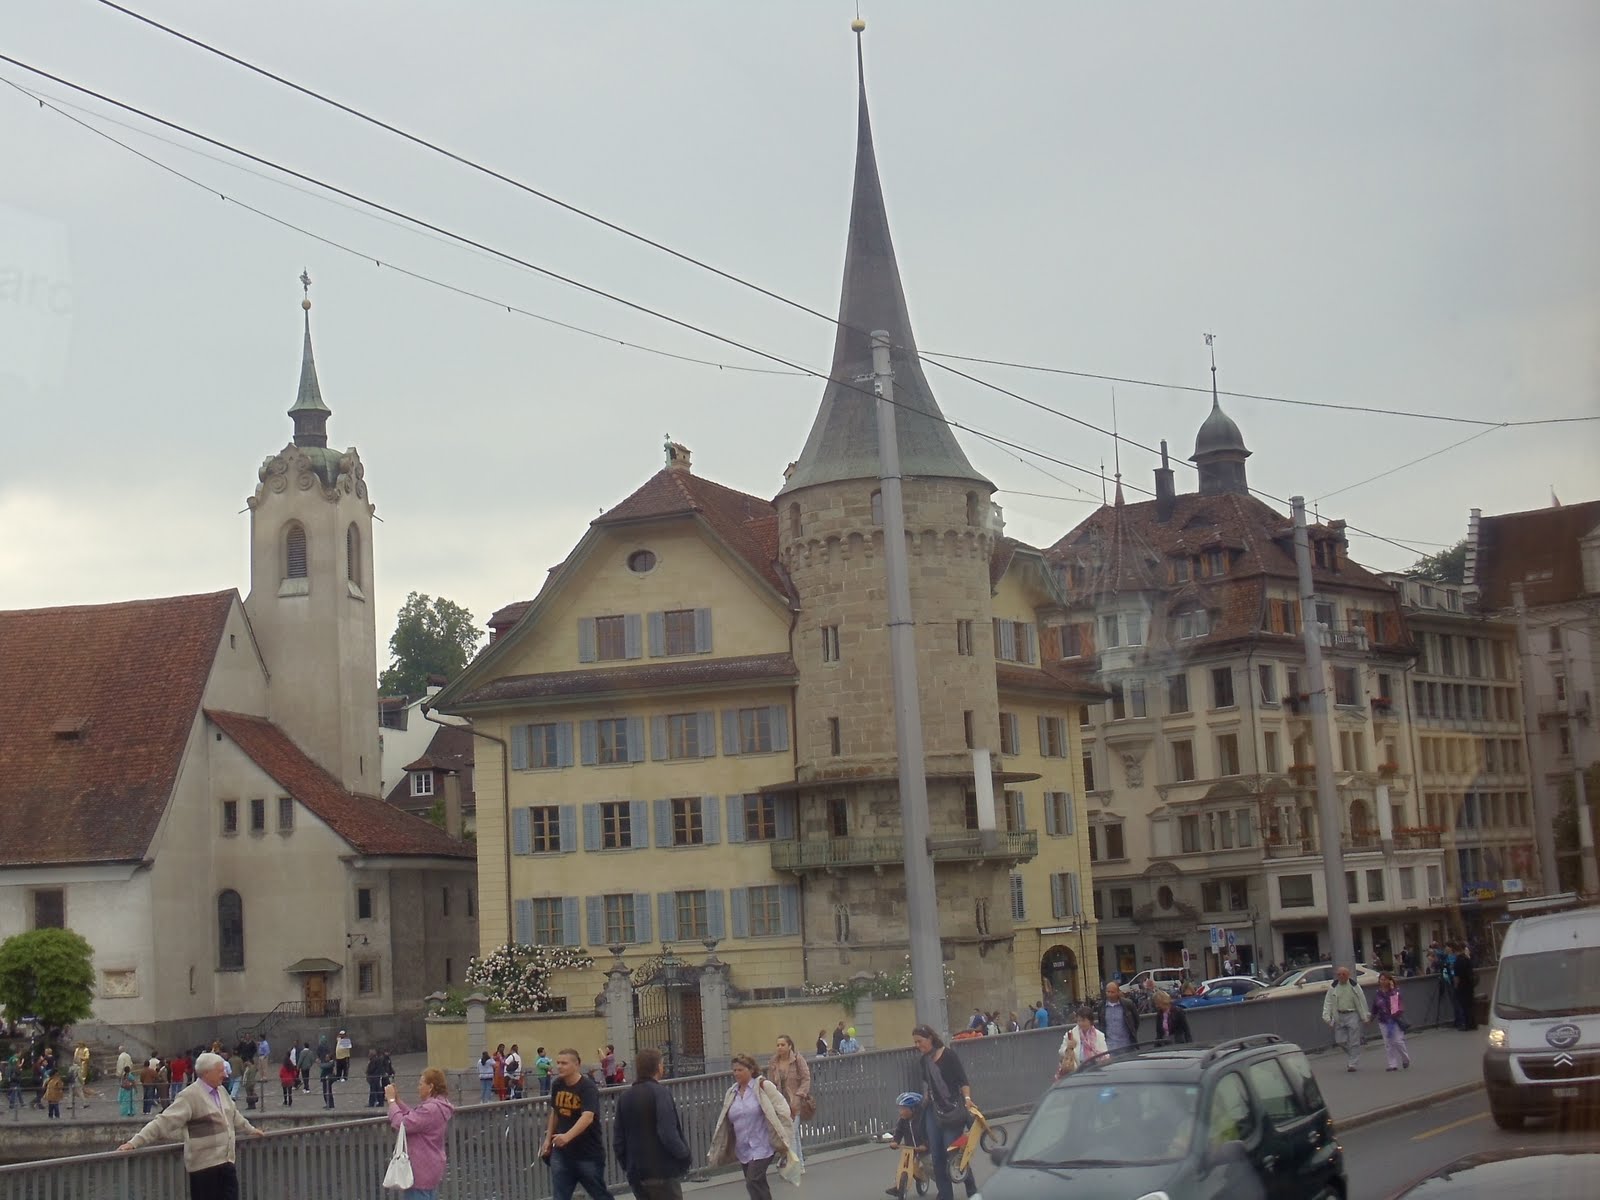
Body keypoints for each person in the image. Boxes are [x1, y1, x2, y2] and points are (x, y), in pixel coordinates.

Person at [117, 1051, 265, 1200]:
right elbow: (163, 1122)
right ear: (207, 1072)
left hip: (226, 1165)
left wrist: (250, 1130)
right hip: (204, 1169)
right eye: (220, 1071)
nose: (225, 1075)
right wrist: (134, 1142)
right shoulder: (189, 1096)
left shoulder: (221, 1092)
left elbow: (234, 1116)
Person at [708, 1052, 797, 1200]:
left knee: (753, 1181)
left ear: (751, 1070)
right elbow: (725, 1119)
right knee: (758, 1183)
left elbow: (782, 1108)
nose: (736, 1073)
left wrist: (784, 1131)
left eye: (740, 1070)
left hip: (763, 1145)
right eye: (734, 1070)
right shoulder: (732, 1092)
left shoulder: (762, 1086)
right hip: (743, 1148)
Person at [613, 1046, 691, 1200]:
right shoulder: (661, 1093)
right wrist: (685, 1155)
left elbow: (618, 1141)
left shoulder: (625, 1097)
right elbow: (667, 1133)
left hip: (637, 1172)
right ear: (659, 1067)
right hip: (662, 1171)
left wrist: (628, 1165)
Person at [542, 1047, 614, 1200]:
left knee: (599, 1194)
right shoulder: (557, 1084)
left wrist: (567, 1137)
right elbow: (555, 1112)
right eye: (558, 1063)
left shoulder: (588, 1087)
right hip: (562, 1154)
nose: (559, 1066)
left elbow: (587, 1117)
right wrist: (548, 1140)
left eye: (564, 1063)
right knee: (560, 1196)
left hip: (587, 1153)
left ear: (577, 1065)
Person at [912, 1025, 970, 1200]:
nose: (917, 1045)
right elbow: (927, 1086)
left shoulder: (949, 1056)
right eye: (915, 1042)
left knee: (953, 1153)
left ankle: (972, 1189)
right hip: (933, 1110)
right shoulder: (924, 1060)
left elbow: (963, 1080)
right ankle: (945, 1195)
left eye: (919, 1041)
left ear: (930, 1038)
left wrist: (967, 1100)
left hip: (952, 1110)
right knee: (936, 1155)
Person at [385, 1067, 455, 1200]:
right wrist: (398, 1102)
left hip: (420, 1171)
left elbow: (402, 1124)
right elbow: (416, 1119)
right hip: (431, 1168)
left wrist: (391, 1102)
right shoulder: (440, 1106)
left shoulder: (430, 1109)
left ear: (430, 1087)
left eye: (420, 1084)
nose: (418, 1087)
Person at [766, 1035, 813, 1165]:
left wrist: (800, 1094)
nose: (779, 1047)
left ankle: (793, 1166)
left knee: (790, 1134)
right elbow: (770, 1082)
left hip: (795, 1103)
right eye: (778, 1045)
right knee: (794, 1134)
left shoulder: (797, 1059)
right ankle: (800, 1164)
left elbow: (806, 1078)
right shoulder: (773, 1062)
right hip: (780, 1103)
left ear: (789, 1046)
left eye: (782, 1045)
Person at [1322, 965, 1372, 1071]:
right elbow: (1328, 1002)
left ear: (1348, 975)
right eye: (1339, 974)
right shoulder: (1333, 987)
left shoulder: (1354, 986)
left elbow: (1361, 1001)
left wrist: (1365, 1016)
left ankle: (1352, 1063)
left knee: (1354, 1040)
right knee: (1340, 1041)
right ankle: (1353, 1055)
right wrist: (1327, 1017)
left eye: (1343, 974)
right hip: (1339, 1016)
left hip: (1352, 1014)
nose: (1341, 976)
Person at [884, 1091, 928, 1200]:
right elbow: (898, 1132)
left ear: (913, 1109)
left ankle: (941, 1184)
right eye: (900, 1108)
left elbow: (930, 1134)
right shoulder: (902, 1121)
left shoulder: (923, 1120)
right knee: (902, 1166)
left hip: (924, 1149)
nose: (901, 1112)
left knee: (930, 1165)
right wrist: (895, 1142)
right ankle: (898, 1186)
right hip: (910, 1149)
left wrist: (926, 1145)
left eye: (904, 1109)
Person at [1372, 972, 1411, 1071]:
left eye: (1385, 979)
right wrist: (1371, 1018)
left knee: (1398, 1041)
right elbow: (1375, 1007)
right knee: (1388, 1043)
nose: (1383, 981)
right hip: (1383, 1020)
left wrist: (1392, 989)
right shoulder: (1378, 993)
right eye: (1381, 979)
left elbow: (1395, 1008)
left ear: (1389, 980)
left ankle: (1405, 1058)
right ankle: (1392, 1064)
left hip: (1395, 1020)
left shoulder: (1395, 991)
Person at [1097, 981, 1140, 1051]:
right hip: (1109, 1046)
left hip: (1126, 1045)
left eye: (1112, 992)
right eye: (1108, 992)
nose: (1110, 995)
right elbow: (1101, 1023)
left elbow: (1136, 1021)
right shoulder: (1101, 1006)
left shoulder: (1127, 1004)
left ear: (1118, 992)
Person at [1452, 942, 1478, 1031]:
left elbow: (1456, 977)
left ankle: (1466, 1024)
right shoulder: (1467, 959)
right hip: (1469, 985)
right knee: (1470, 1004)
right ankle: (1473, 1023)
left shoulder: (1457, 962)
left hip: (1462, 986)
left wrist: (1455, 987)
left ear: (1455, 951)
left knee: (1464, 1005)